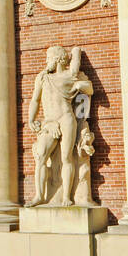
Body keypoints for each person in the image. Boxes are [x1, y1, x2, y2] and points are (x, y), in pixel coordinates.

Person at [27, 45, 93, 206]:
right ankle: (40, 196)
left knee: (66, 157)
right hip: (49, 122)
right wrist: (31, 119)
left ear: (57, 59)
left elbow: (89, 88)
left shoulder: (70, 76)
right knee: (41, 155)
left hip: (66, 119)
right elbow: (35, 100)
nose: (46, 61)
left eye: (48, 58)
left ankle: (66, 197)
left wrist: (79, 85)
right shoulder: (42, 77)